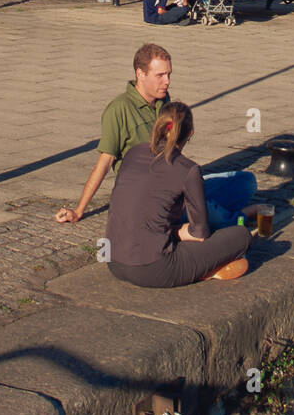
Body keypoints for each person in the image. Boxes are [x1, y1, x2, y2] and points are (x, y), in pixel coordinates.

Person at [55, 45, 257, 228]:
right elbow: (105, 162)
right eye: (160, 75)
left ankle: (201, 206)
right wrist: (79, 210)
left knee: (247, 182)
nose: (167, 81)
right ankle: (234, 218)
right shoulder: (119, 109)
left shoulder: (163, 100)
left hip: (175, 182)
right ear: (140, 74)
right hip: (153, 196)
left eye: (169, 74)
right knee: (217, 218)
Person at [106, 102, 251, 287]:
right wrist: (178, 231)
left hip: (114, 261)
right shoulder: (188, 169)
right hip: (154, 269)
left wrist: (169, 231)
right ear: (190, 132)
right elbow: (200, 233)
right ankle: (205, 268)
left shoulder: (133, 153)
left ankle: (200, 265)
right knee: (241, 235)